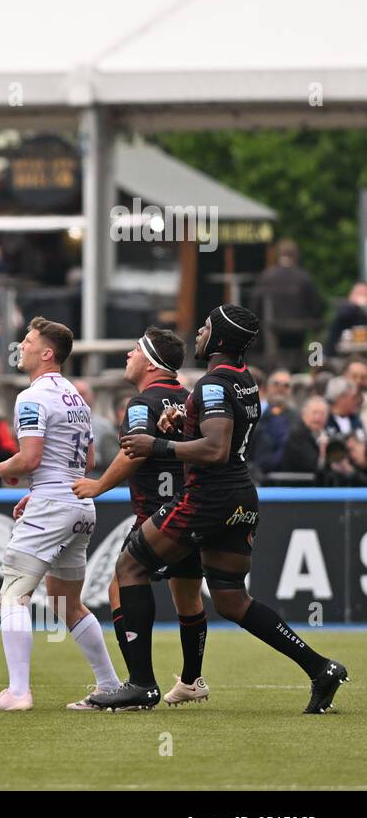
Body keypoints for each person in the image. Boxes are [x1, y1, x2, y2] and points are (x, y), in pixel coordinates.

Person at [97, 305, 349, 713]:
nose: (199, 331)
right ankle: (321, 668)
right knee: (231, 600)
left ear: (218, 340)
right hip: (240, 500)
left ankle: (141, 684)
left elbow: (215, 450)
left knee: (130, 568)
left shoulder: (213, 384)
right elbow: (222, 440)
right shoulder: (244, 380)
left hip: (208, 499)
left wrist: (156, 445)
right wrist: (181, 428)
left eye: (206, 326)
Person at [0, 317, 120, 712]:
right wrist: (40, 488)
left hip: (53, 505)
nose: (19, 346)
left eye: (27, 341)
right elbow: (89, 459)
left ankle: (19, 691)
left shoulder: (32, 396)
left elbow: (31, 457)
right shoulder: (77, 396)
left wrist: (5, 469)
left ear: (46, 353)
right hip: (78, 504)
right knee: (67, 603)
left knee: (13, 595)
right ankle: (109, 685)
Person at [71, 328, 211, 707]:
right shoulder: (192, 400)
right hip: (191, 510)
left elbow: (135, 452)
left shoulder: (141, 403)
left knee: (121, 581)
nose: (128, 356)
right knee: (187, 594)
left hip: (156, 513)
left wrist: (98, 486)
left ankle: (139, 683)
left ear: (150, 361)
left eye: (134, 350)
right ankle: (191, 679)